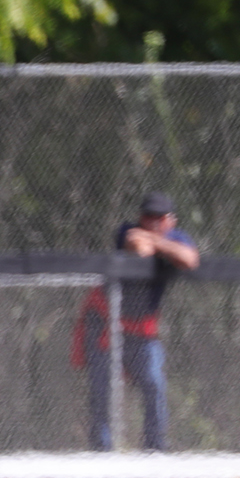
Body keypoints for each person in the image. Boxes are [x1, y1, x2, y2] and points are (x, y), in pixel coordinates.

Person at [72, 191, 200, 451]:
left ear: (171, 221)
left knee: (154, 384)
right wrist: (163, 246)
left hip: (141, 330)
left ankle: (155, 450)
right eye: (147, 217)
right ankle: (101, 453)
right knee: (102, 393)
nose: (152, 222)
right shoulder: (127, 231)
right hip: (105, 324)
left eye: (159, 218)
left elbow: (189, 260)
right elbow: (140, 250)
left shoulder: (175, 237)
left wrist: (155, 240)